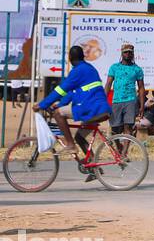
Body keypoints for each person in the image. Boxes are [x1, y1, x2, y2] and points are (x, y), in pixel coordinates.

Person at [37, 45, 111, 179]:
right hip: (99, 108)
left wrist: (42, 104)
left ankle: (70, 145)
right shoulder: (88, 68)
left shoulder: (77, 71)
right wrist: (59, 104)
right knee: (79, 136)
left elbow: (61, 90)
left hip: (91, 108)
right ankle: (94, 168)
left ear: (70, 58)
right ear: (82, 56)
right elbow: (72, 93)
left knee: (58, 114)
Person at [105, 43, 145, 135]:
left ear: (133, 54)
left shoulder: (137, 69)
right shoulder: (114, 67)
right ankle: (119, 148)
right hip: (116, 101)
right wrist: (103, 100)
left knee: (128, 127)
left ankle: (124, 149)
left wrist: (142, 106)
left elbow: (141, 88)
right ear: (122, 53)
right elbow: (108, 84)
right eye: (125, 52)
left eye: (130, 52)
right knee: (115, 129)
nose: (128, 54)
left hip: (131, 101)